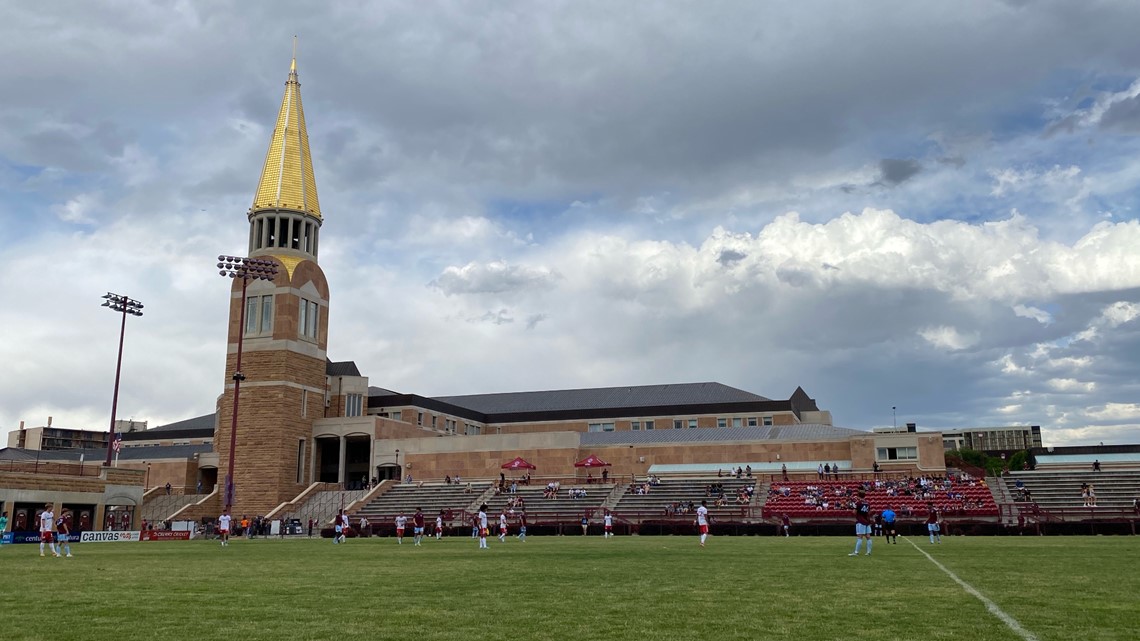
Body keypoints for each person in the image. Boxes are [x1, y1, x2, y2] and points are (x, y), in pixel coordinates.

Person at [849, 490, 872, 556]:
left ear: (858, 495)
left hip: (860, 521)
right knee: (868, 536)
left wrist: (853, 507)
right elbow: (869, 513)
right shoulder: (868, 503)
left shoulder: (858, 503)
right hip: (867, 521)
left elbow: (854, 512)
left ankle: (856, 552)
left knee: (860, 537)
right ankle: (868, 552)